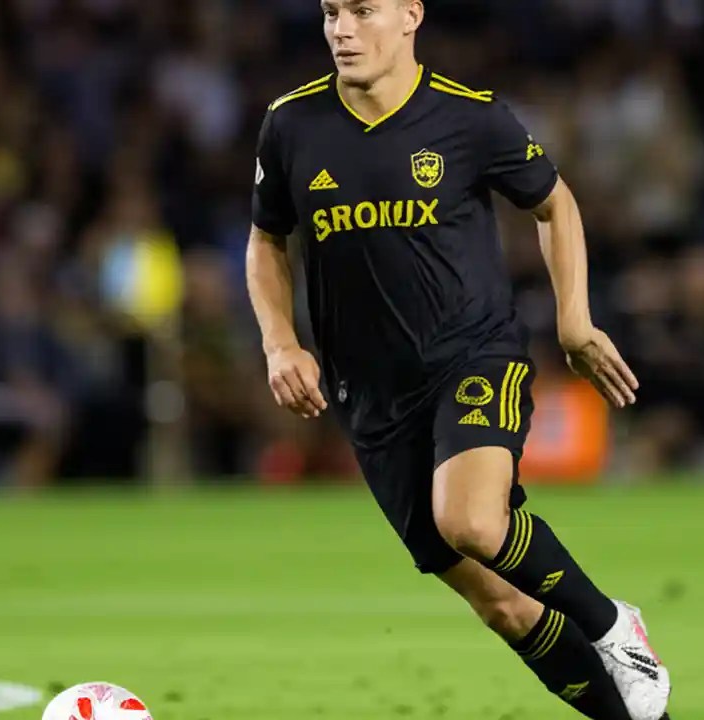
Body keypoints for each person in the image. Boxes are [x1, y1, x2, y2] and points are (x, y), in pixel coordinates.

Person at [244, 2, 672, 719]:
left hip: (473, 357)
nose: (342, 30)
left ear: (411, 15)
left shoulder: (470, 118)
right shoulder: (290, 123)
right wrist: (280, 342)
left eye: (361, 11)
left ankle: (612, 625)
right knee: (503, 604)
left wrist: (574, 319)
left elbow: (554, 205)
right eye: (329, 13)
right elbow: (265, 242)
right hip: (371, 395)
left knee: (470, 519)